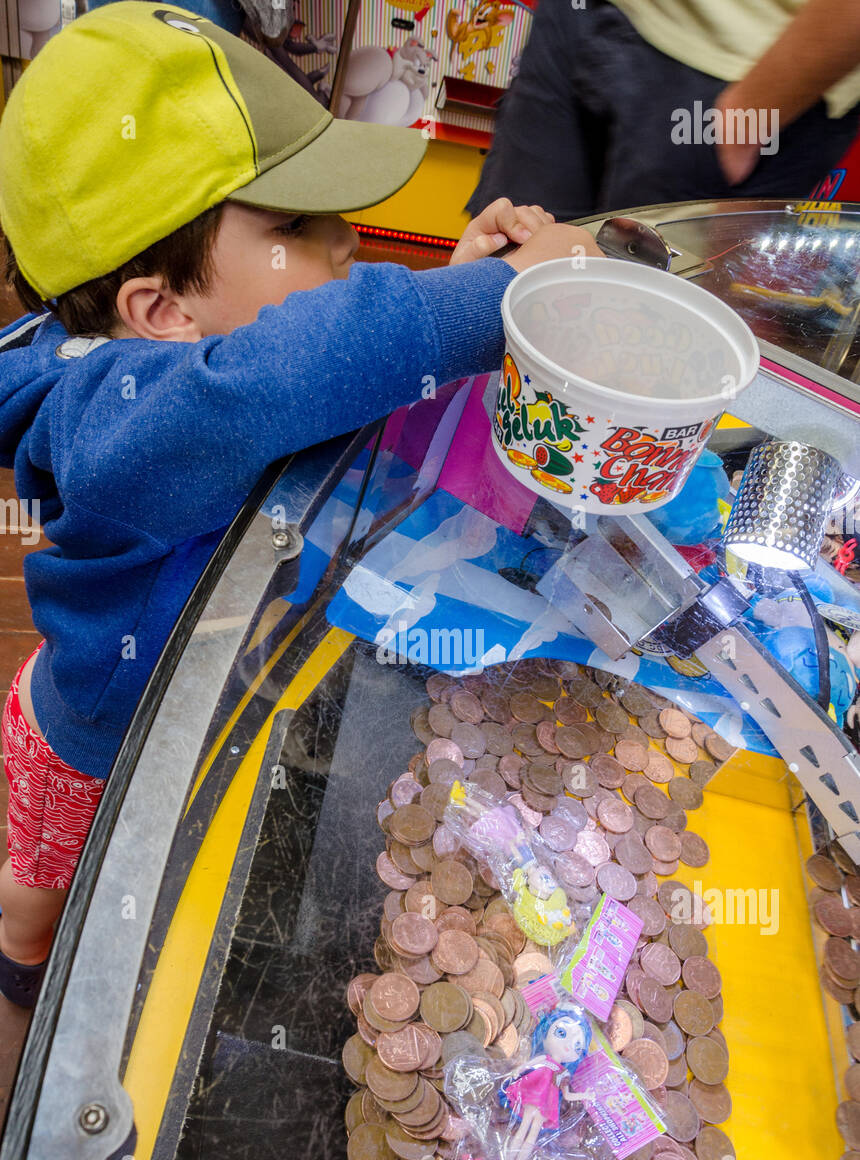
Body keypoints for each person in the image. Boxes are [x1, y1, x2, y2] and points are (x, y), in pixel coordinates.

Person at [0, 3, 599, 1008]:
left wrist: (457, 281)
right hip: (94, 740)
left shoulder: (183, 363)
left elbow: (316, 370)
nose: (345, 241)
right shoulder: (123, 416)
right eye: (294, 227)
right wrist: (492, 295)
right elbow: (287, 370)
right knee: (38, 919)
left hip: (184, 689)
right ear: (159, 310)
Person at [467, 0, 860, 219]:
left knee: (636, 335)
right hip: (576, 18)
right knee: (503, 274)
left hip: (729, 71)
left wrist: (749, 112)